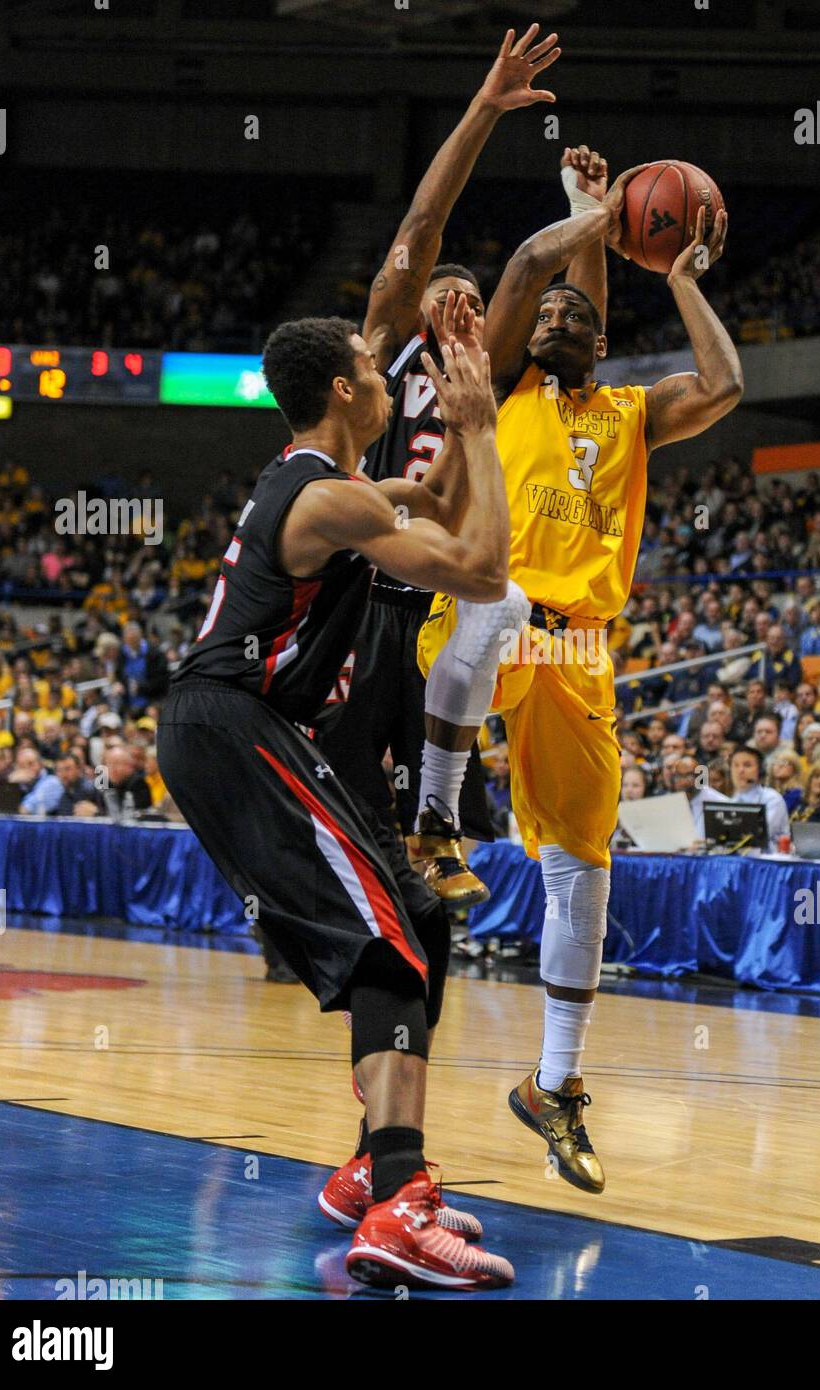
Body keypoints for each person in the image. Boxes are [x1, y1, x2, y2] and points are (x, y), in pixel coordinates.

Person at [157, 303, 516, 1290]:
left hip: (237, 728)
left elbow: (435, 500)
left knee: (408, 924)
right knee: (389, 943)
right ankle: (401, 1199)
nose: (383, 372)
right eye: (372, 362)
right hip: (233, 725)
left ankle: (379, 1169)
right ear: (346, 393)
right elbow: (481, 566)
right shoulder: (324, 498)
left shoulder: (338, 486)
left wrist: (471, 367)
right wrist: (480, 425)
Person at [418, 158, 741, 1192]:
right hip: (476, 609)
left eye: (572, 311)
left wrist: (680, 276)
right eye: (543, 313)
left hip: (578, 650)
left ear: (598, 342)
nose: (551, 313)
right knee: (500, 602)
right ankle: (431, 812)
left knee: (583, 869)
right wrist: (587, 222)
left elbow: (728, 385)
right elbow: (526, 269)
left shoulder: (632, 412)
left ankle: (552, 1087)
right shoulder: (508, 385)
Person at [315, 26, 562, 906]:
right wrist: (484, 109)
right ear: (417, 303)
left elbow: (533, 268)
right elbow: (419, 232)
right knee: (336, 780)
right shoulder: (378, 353)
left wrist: (596, 221)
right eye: (443, 293)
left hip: (435, 593)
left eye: (470, 295)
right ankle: (310, 915)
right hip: (360, 589)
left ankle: (439, 829)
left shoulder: (484, 369)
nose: (459, 303)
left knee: (500, 610)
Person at [727, 745, 790, 850]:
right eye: (736, 765)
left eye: (747, 765)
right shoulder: (732, 801)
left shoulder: (772, 799)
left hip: (767, 862)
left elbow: (759, 834)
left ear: (760, 771)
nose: (740, 770)